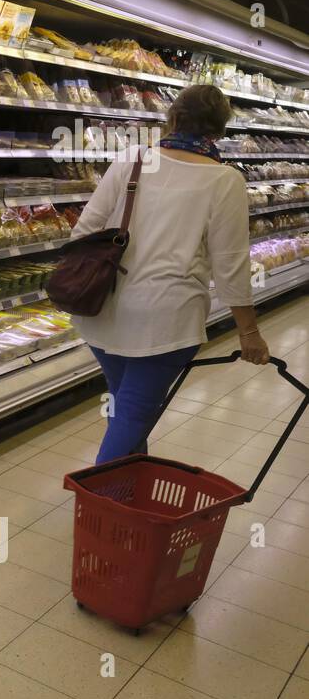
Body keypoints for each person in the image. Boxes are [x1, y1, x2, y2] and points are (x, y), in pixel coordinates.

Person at [70, 84, 270, 464]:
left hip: (102, 306)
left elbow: (83, 233)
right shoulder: (224, 180)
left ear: (173, 118)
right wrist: (249, 332)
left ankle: (123, 495)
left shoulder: (132, 159)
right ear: (219, 131)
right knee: (132, 412)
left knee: (124, 406)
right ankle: (101, 504)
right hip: (166, 318)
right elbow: (230, 264)